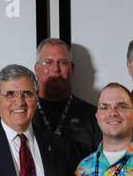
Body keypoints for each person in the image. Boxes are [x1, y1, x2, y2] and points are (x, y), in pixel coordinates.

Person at [33, 38, 100, 166]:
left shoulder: (93, 115)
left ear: (72, 68)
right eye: (48, 62)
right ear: (36, 68)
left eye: (62, 62)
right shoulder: (23, 113)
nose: (55, 69)